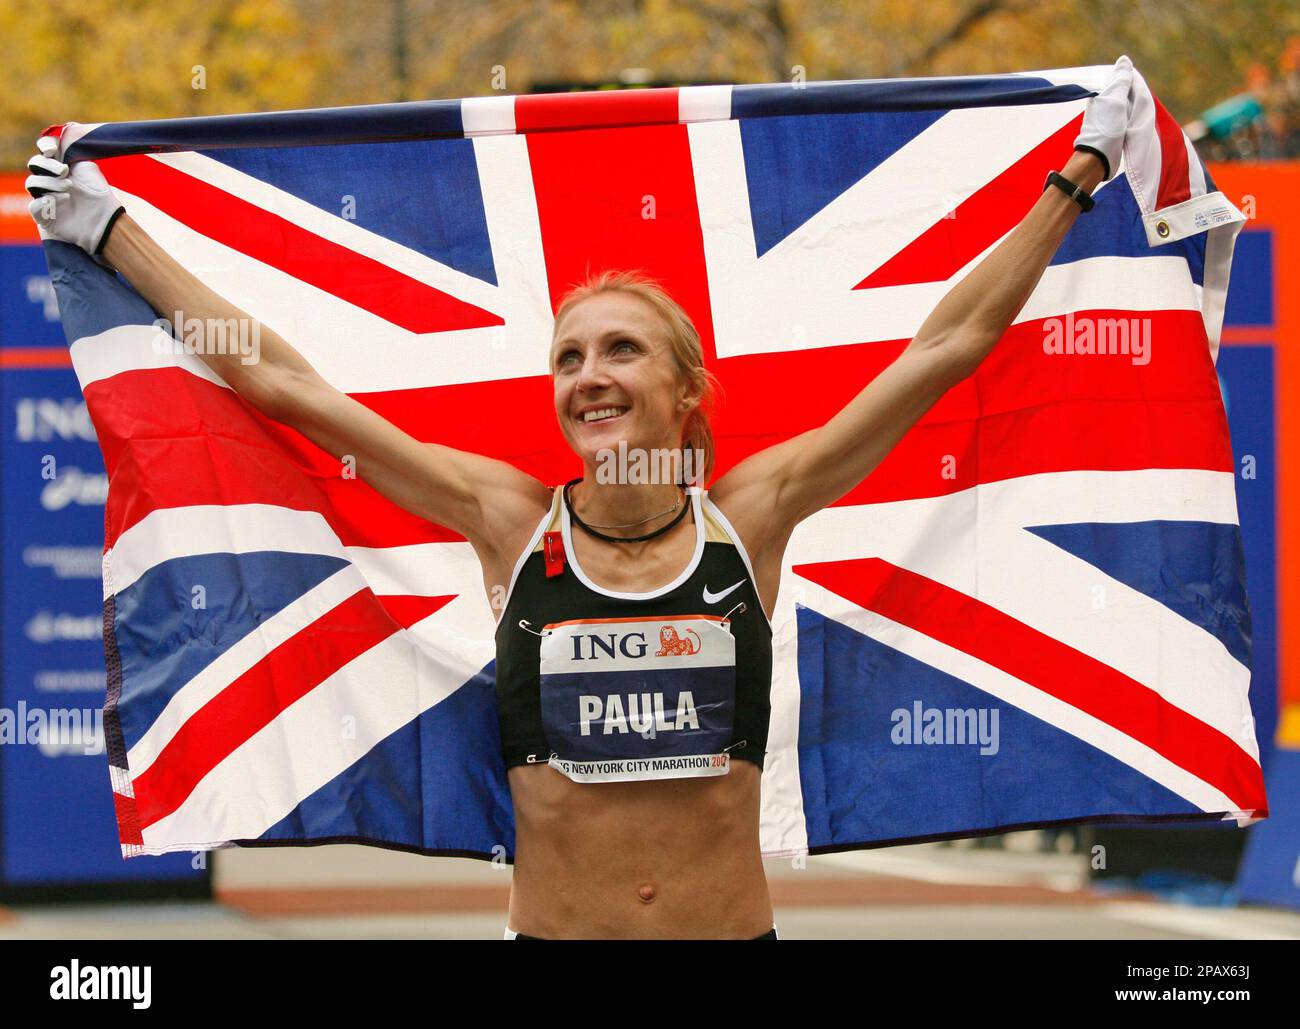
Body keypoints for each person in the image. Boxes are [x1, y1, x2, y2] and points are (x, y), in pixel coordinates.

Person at [26, 56, 1134, 940]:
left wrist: (1075, 174)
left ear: (687, 393)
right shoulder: (508, 520)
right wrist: (112, 232)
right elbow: (283, 386)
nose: (588, 374)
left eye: (621, 350)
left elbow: (945, 346)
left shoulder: (752, 515)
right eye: (566, 359)